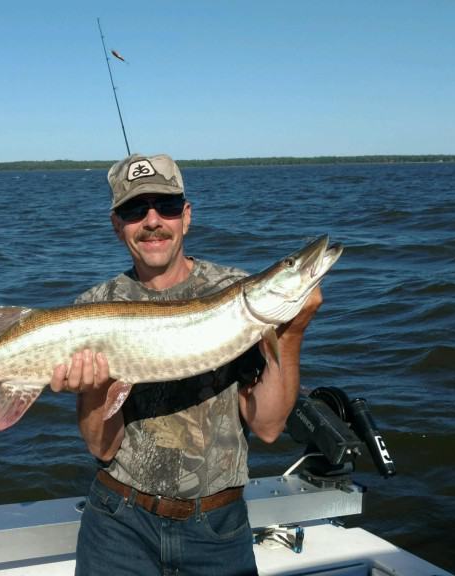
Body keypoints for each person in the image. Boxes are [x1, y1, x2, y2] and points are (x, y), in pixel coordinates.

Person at [49, 153, 323, 576]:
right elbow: (101, 447)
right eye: (135, 210)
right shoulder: (93, 306)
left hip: (217, 529)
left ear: (187, 216)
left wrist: (292, 332)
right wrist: (95, 387)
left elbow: (268, 426)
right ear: (117, 224)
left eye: (167, 206)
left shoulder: (232, 290)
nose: (153, 220)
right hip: (118, 525)